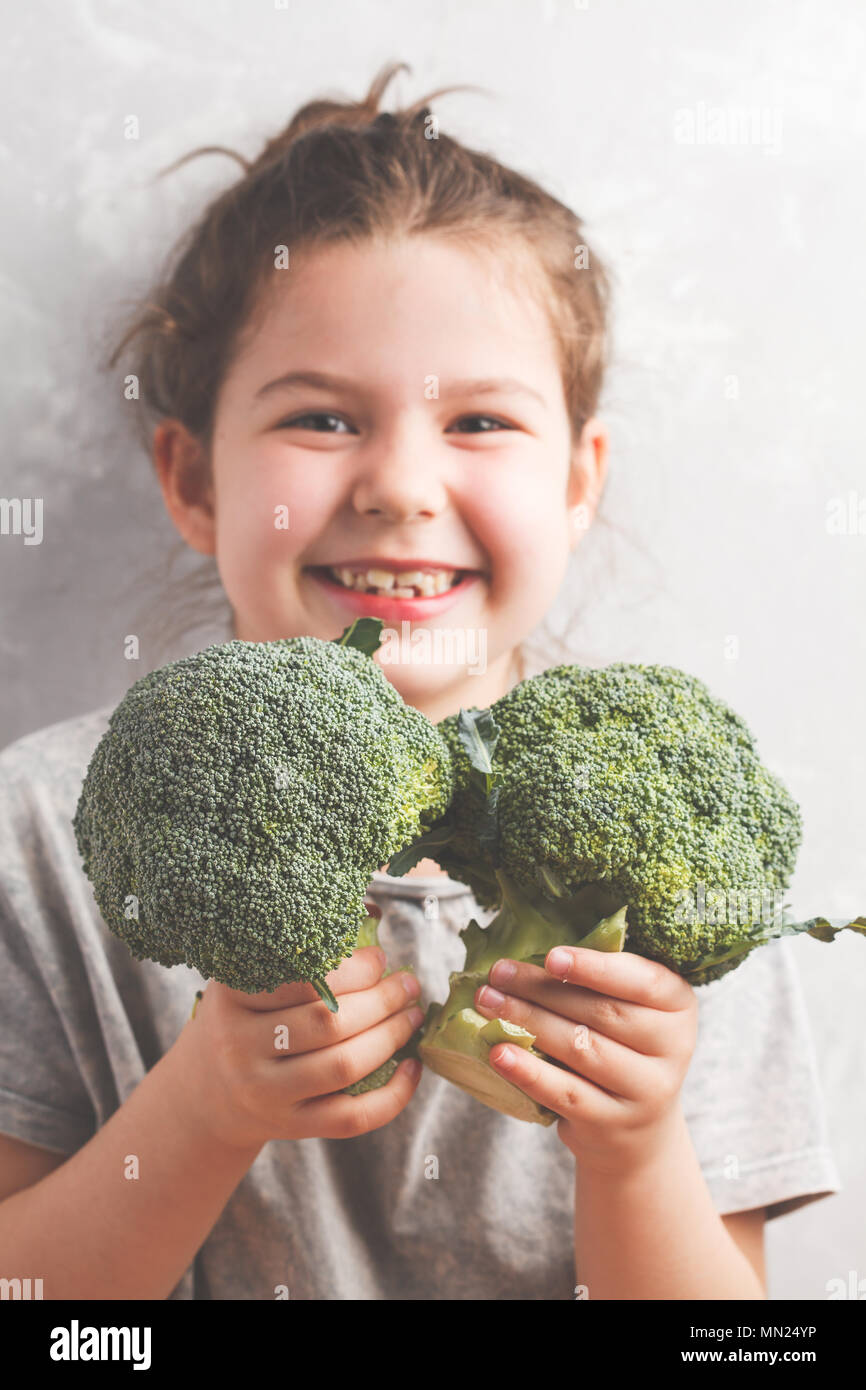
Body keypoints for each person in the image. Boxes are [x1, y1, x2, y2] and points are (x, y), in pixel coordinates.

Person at [0, 61, 841, 1300]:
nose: (400, 484)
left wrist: (633, 1147)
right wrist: (200, 1115)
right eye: (324, 420)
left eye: (481, 423)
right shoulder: (42, 832)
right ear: (189, 479)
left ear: (575, 480)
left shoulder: (676, 853)